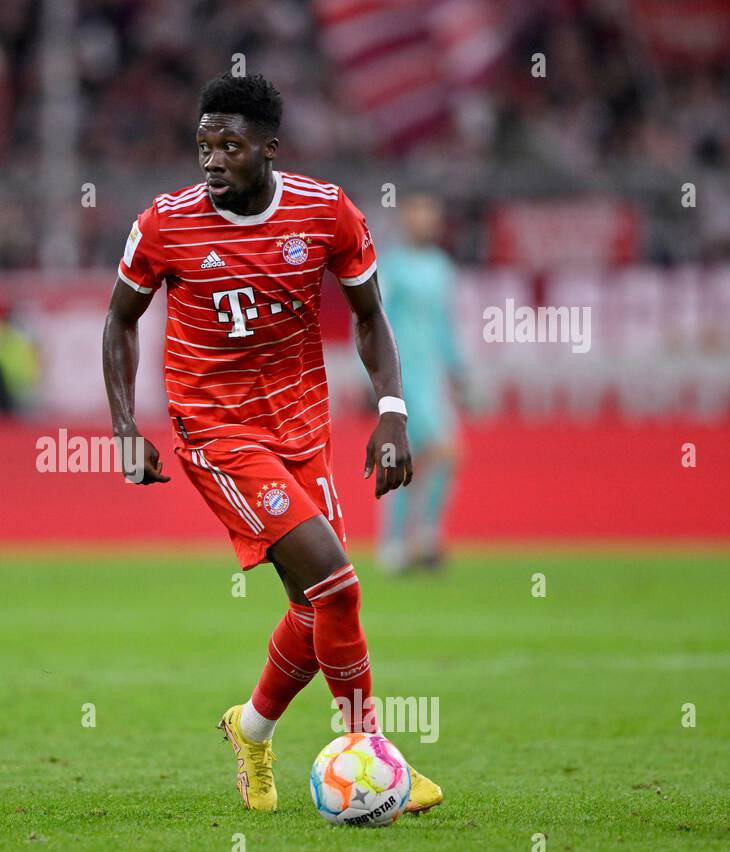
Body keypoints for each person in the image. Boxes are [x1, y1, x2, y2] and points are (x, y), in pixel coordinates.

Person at [101, 72, 442, 814]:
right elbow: (120, 319)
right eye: (204, 145)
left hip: (301, 426)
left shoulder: (325, 213)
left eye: (231, 145)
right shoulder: (166, 223)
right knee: (340, 585)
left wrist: (392, 410)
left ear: (269, 149)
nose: (213, 159)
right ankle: (372, 755)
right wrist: (127, 427)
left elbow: (369, 314)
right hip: (216, 430)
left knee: (318, 608)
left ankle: (250, 729)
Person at [374, 193, 466, 572]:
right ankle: (413, 539)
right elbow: (374, 320)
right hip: (404, 375)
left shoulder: (442, 268)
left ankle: (407, 543)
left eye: (429, 214)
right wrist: (377, 378)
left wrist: (459, 371)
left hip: (431, 376)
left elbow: (444, 327)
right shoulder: (393, 267)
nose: (423, 221)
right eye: (417, 213)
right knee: (443, 451)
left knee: (422, 459)